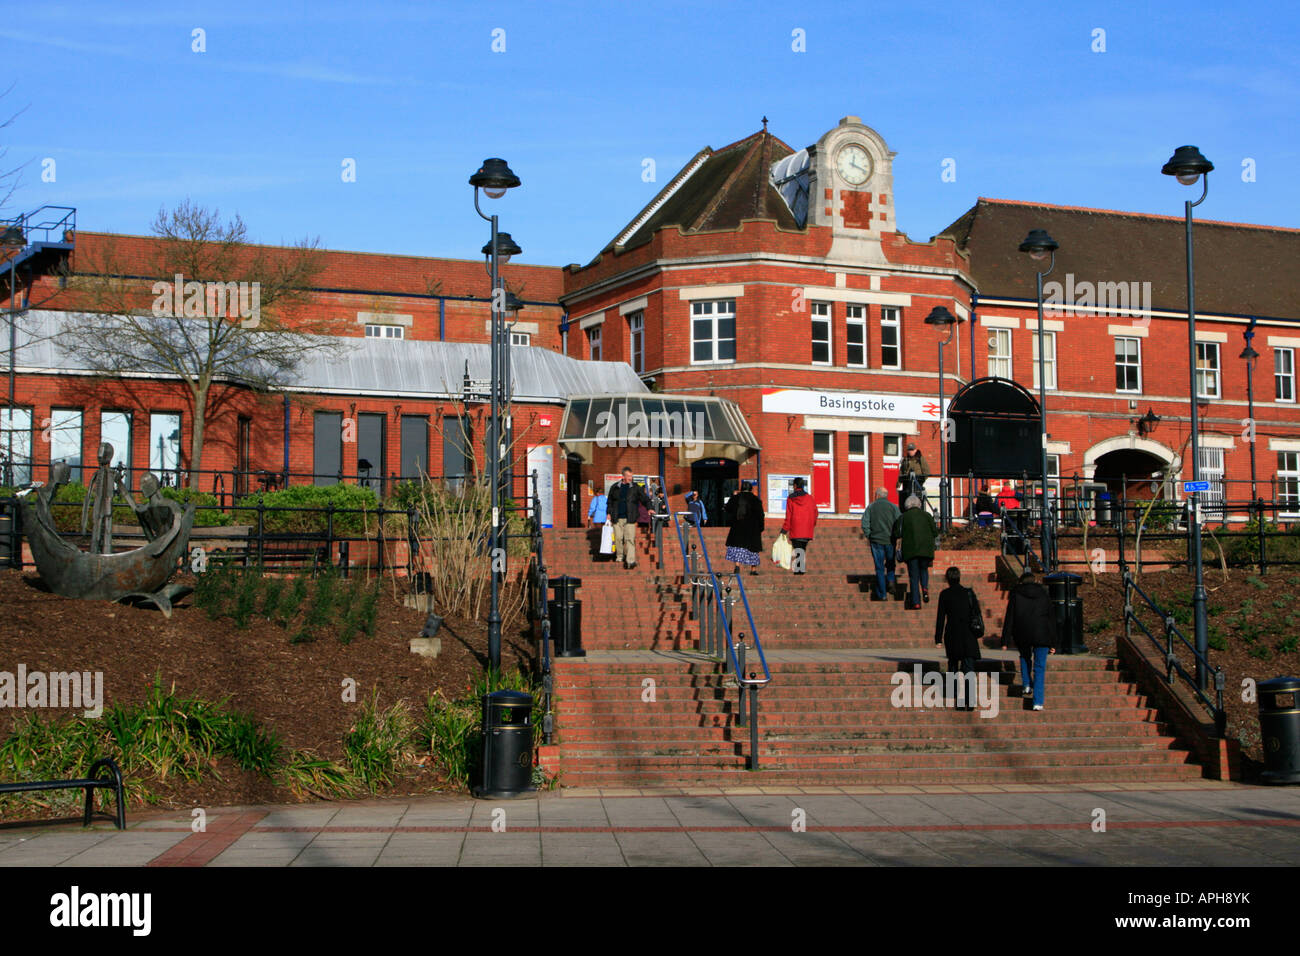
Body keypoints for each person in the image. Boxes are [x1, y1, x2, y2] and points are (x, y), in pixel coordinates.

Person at [1001, 570, 1058, 711]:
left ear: (1021, 582)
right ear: (1034, 581)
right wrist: (1053, 642)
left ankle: (1026, 683)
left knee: (1025, 657)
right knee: (1039, 668)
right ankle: (1037, 702)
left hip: (1022, 632)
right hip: (1042, 634)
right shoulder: (1044, 594)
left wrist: (1005, 639)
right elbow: (1051, 619)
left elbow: (1010, 617)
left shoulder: (1015, 594)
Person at [934, 567, 980, 706]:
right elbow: (976, 612)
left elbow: (941, 617)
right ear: (959, 577)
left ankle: (955, 694)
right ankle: (970, 699)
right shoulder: (969, 593)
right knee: (968, 667)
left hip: (952, 633)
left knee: (953, 664)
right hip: (968, 633)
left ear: (947, 579)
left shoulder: (945, 594)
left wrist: (938, 638)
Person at [892, 494, 936, 610]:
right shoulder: (927, 515)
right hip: (926, 550)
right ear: (919, 504)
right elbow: (935, 532)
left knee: (913, 576)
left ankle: (916, 602)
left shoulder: (903, 517)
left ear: (907, 505)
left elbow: (897, 533)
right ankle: (925, 588)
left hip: (910, 551)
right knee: (924, 569)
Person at [606, 467, 651, 569]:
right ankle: (620, 556)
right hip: (616, 517)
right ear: (623, 476)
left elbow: (645, 499)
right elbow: (609, 502)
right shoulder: (615, 487)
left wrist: (649, 508)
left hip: (630, 517)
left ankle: (630, 560)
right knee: (618, 539)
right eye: (629, 476)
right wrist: (609, 513)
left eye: (631, 476)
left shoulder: (635, 487)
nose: (631, 478)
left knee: (630, 539)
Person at [861, 487, 900, 601]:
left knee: (879, 567)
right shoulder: (893, 507)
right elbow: (900, 522)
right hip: (890, 540)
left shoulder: (871, 507)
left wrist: (870, 535)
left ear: (877, 495)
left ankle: (882, 594)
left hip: (876, 540)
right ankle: (891, 580)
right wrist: (896, 535)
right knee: (891, 563)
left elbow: (865, 523)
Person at [724, 480, 765, 576]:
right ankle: (753, 569)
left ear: (741, 489)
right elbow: (760, 515)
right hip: (753, 528)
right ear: (751, 489)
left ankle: (737, 566)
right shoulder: (756, 500)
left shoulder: (735, 498)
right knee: (753, 548)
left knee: (737, 546)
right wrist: (761, 527)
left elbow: (727, 508)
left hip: (738, 527)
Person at [779, 476, 818, 575]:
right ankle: (800, 568)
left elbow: (789, 515)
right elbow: (815, 513)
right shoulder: (810, 498)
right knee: (802, 548)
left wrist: (784, 529)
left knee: (798, 549)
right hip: (807, 528)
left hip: (795, 527)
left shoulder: (791, 498)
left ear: (795, 486)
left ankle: (799, 569)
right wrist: (812, 524)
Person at [587, 487, 609, 561]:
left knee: (598, 534)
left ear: (597, 493)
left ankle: (598, 548)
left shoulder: (595, 499)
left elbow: (592, 508)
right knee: (604, 533)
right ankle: (604, 547)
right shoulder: (606, 499)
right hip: (605, 518)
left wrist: (589, 515)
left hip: (598, 518)